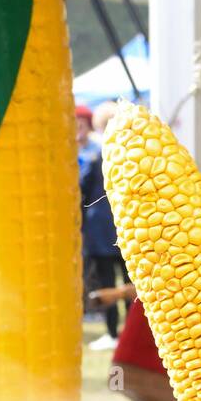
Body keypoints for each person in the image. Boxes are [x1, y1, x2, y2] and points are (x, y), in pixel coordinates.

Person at [76, 102, 129, 344]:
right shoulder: (128, 156)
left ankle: (112, 333)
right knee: (131, 283)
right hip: (126, 229)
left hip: (101, 231)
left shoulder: (96, 157)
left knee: (108, 281)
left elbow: (81, 191)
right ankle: (130, 332)